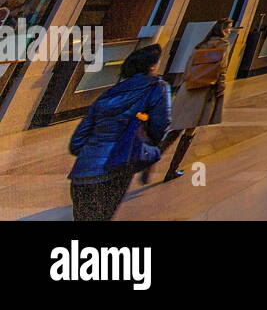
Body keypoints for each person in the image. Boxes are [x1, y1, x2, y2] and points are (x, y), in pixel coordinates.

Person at [68, 43, 171, 221]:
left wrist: (91, 153)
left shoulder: (108, 94)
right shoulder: (157, 87)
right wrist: (146, 145)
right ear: (151, 66)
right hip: (116, 167)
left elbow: (76, 142)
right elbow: (160, 125)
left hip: (81, 175)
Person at [153, 19, 234, 183]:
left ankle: (151, 161)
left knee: (176, 129)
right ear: (223, 29)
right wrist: (221, 88)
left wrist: (185, 84)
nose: (230, 31)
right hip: (204, 90)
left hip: (188, 88)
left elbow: (188, 68)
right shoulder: (222, 45)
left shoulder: (201, 44)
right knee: (190, 130)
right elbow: (221, 69)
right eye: (229, 28)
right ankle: (172, 169)